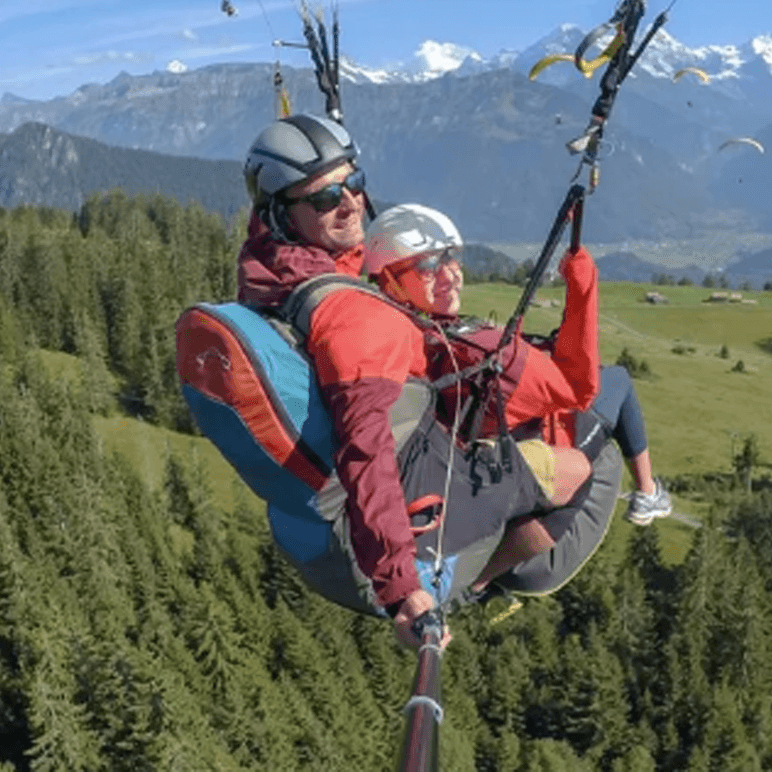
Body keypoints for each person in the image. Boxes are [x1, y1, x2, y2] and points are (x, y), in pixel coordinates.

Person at [236, 115, 545, 649]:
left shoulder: (270, 270)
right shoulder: (352, 315)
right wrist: (403, 589)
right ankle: (474, 582)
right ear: (282, 216)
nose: (351, 202)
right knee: (576, 465)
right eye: (327, 196)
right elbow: (366, 450)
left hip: (304, 524)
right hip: (382, 511)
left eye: (354, 183)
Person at [363, 203, 673, 596]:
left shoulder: (396, 325)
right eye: (427, 266)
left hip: (455, 458)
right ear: (390, 279)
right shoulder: (476, 350)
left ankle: (645, 494)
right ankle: (482, 578)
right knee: (605, 408)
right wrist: (583, 286)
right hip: (490, 490)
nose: (450, 274)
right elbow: (578, 387)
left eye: (452, 258)